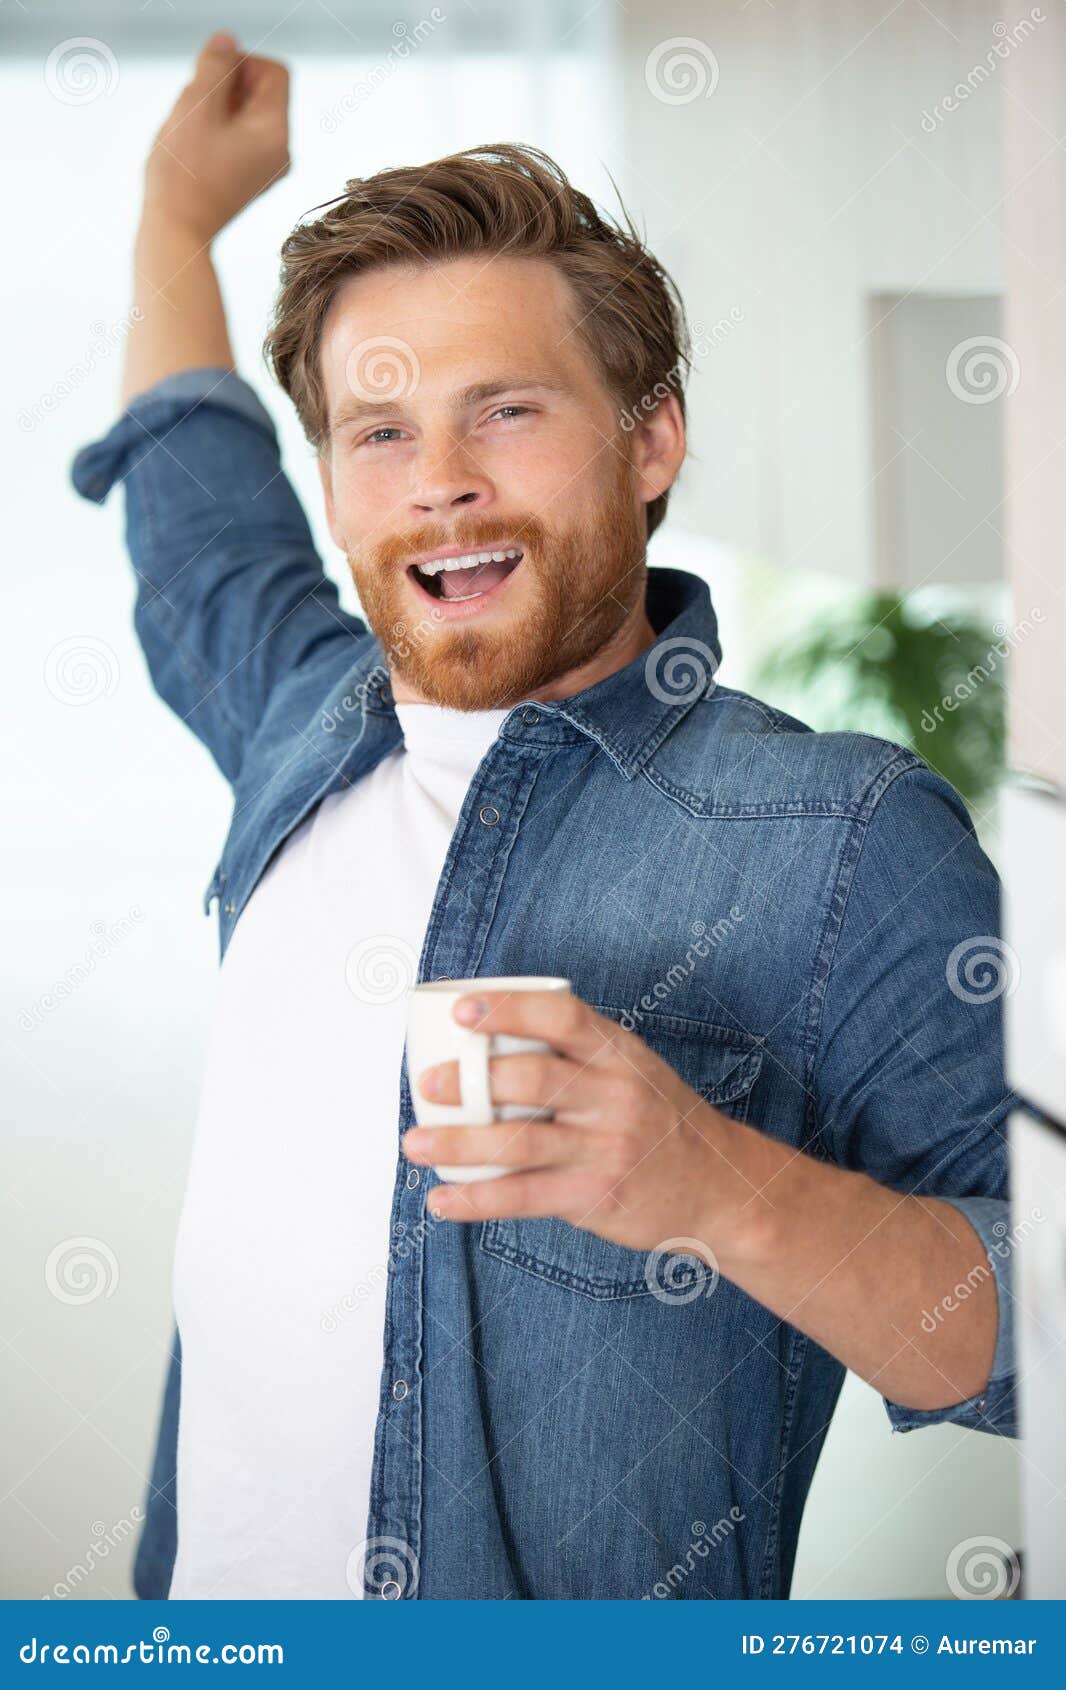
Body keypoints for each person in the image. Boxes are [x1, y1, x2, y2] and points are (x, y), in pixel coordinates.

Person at [71, 34, 1016, 1602]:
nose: (437, 480)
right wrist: (178, 220)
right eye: (378, 431)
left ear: (649, 438)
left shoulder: (838, 835)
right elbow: (192, 498)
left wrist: (720, 1183)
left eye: (503, 411)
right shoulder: (299, 721)